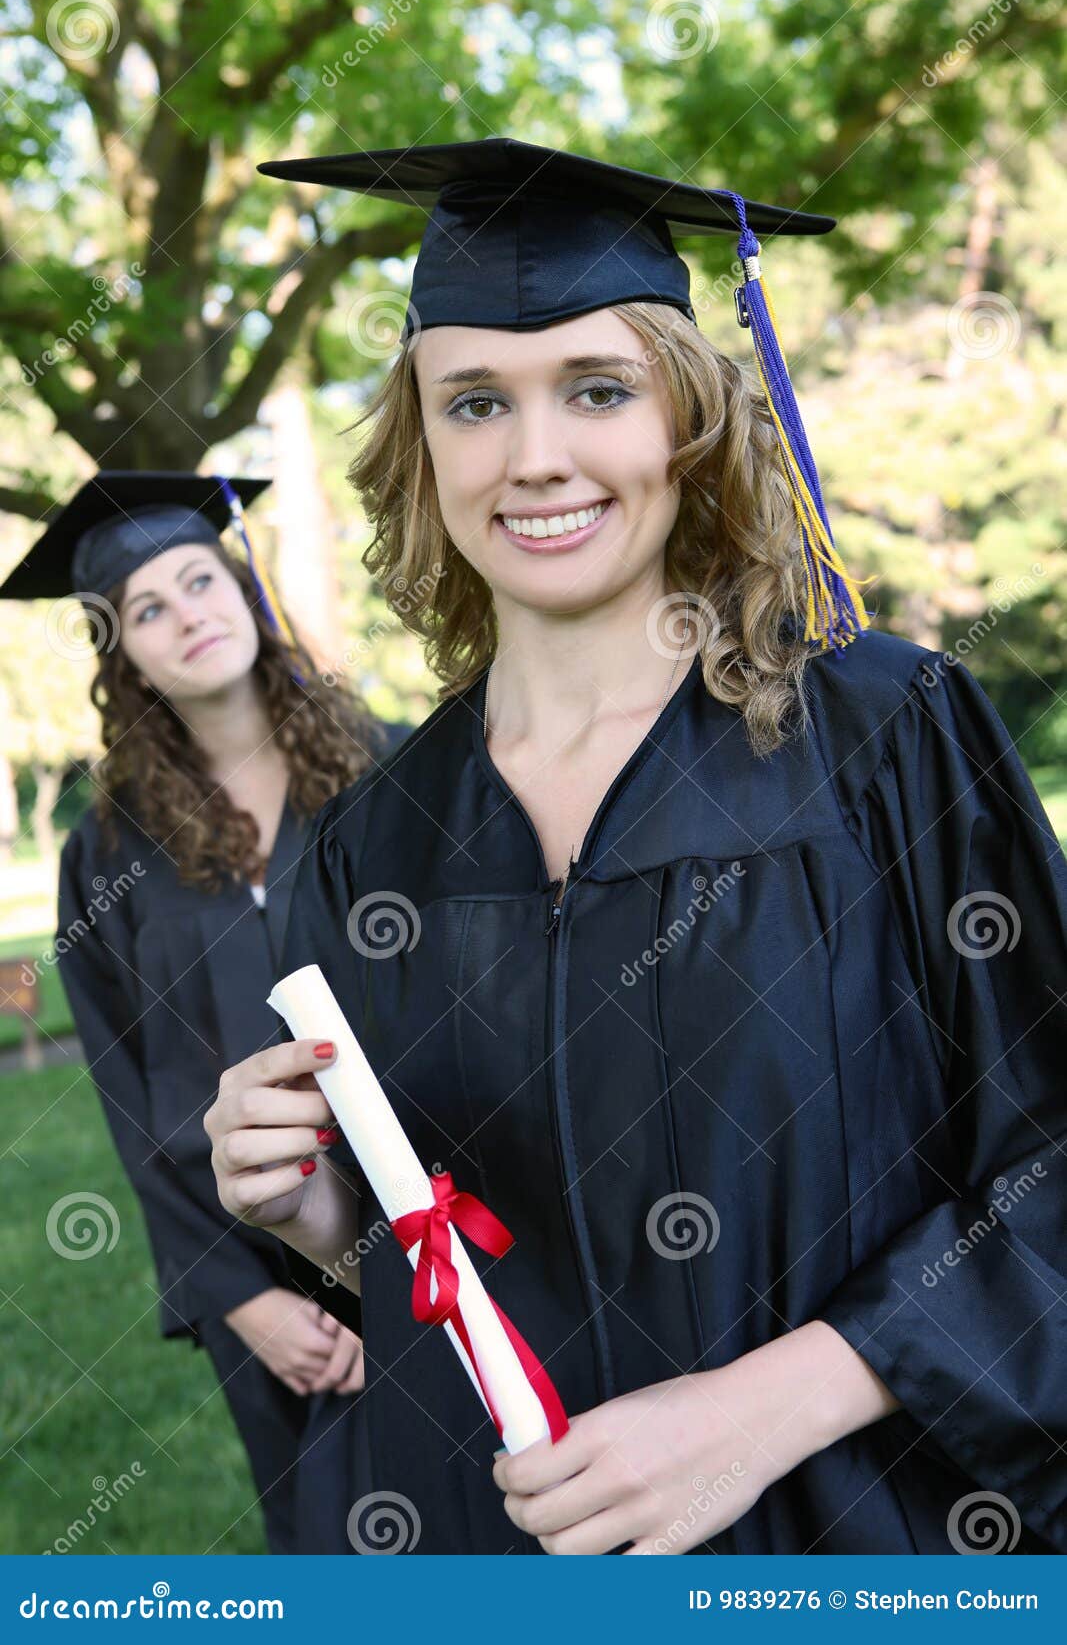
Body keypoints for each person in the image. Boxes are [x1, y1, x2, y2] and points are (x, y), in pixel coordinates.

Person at [206, 140, 1067, 1555]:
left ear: (689, 418)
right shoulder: (382, 837)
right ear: (420, 445)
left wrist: (778, 1399)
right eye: (474, 402)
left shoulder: (881, 736)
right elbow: (430, 1272)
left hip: (853, 1545)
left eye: (596, 391)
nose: (534, 454)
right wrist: (318, 1213)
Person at [1, 470, 408, 1554]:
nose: (188, 614)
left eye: (200, 581)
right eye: (148, 608)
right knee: (329, 1540)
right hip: (249, 1249)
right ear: (120, 655)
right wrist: (241, 1300)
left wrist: (395, 1269)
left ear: (245, 591)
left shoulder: (395, 770)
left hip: (434, 1212)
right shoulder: (109, 852)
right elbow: (131, 1096)